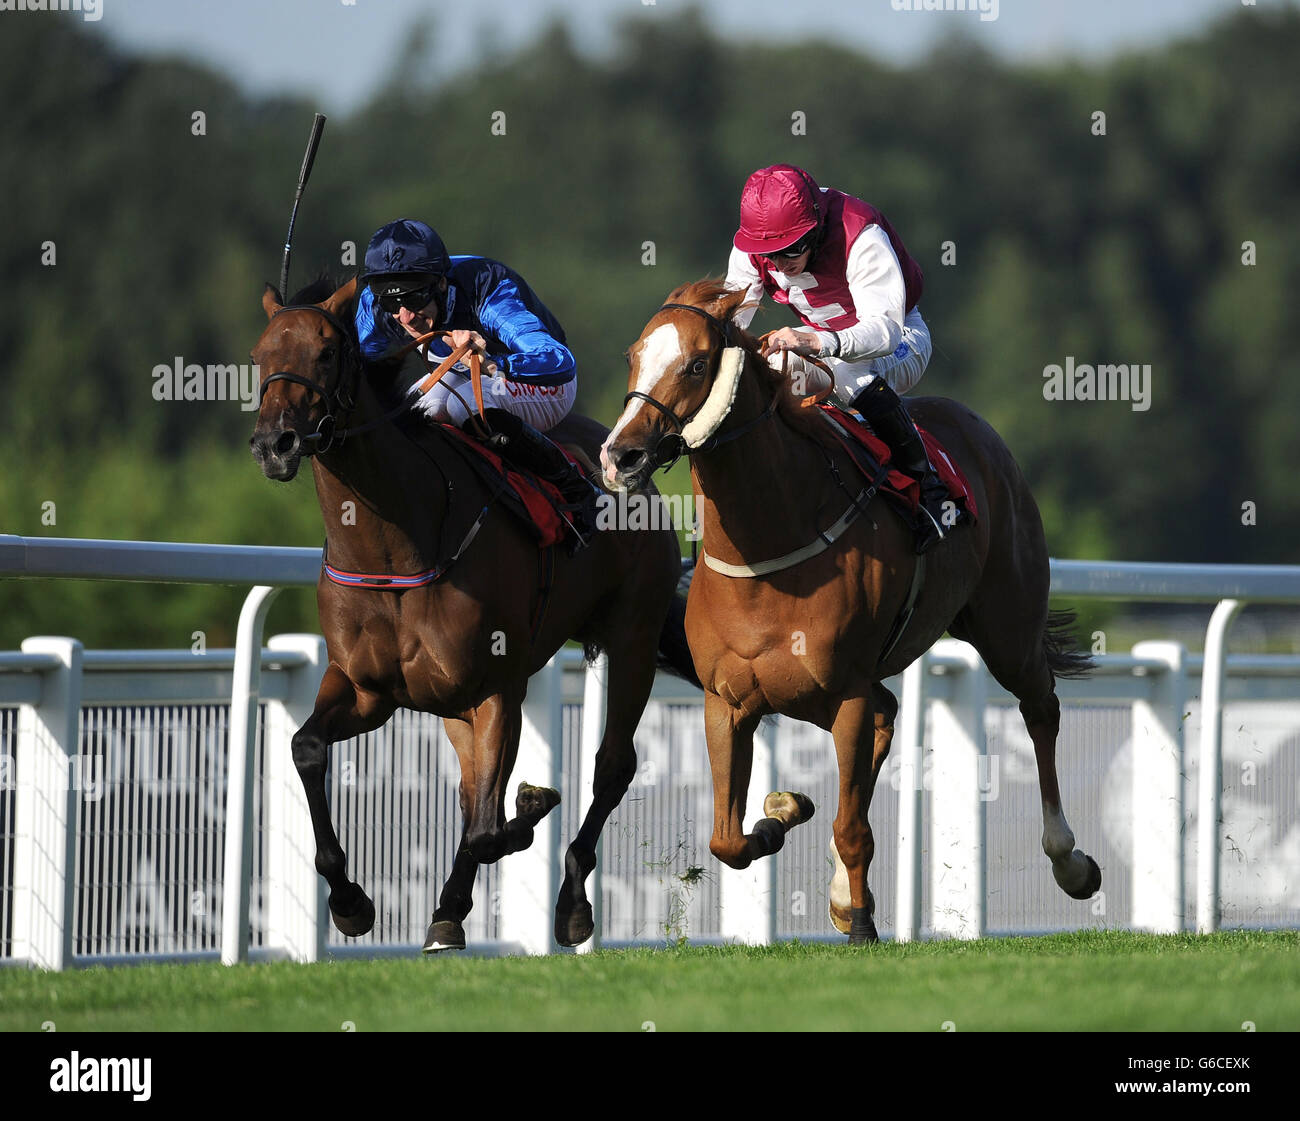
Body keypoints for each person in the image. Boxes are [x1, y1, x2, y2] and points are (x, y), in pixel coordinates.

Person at [723, 164, 949, 551]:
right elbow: (731, 321)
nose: (779, 264)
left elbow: (883, 332)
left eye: (792, 249)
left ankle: (929, 490)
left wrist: (815, 342)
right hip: (822, 341)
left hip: (899, 338)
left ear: (815, 227)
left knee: (845, 371)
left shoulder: (859, 234)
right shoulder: (755, 246)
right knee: (759, 373)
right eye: (770, 254)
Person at [355, 218, 598, 539]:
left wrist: (492, 362)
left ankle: (577, 489)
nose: (405, 316)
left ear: (441, 284)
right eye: (391, 302)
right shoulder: (375, 304)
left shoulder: (489, 291)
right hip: (459, 379)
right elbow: (360, 375)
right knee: (402, 414)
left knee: (462, 404)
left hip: (543, 383)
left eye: (414, 299)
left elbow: (559, 362)